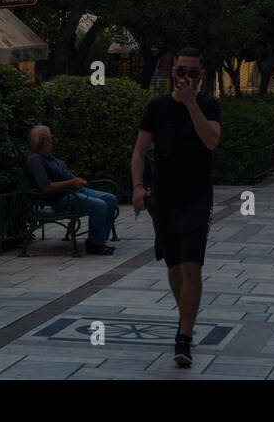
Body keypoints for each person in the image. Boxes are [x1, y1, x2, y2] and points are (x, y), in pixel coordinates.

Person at [130, 47, 222, 368]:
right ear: (174, 73)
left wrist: (192, 103)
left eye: (192, 73)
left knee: (191, 266)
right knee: (173, 269)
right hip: (165, 199)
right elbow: (140, 152)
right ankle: (187, 321)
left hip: (197, 197)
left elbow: (212, 140)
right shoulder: (157, 107)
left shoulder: (209, 105)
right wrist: (138, 187)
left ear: (201, 76)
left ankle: (183, 337)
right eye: (181, 71)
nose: (185, 77)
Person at [26, 125, 118, 255]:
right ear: (45, 142)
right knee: (100, 206)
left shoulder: (46, 155)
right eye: (51, 138)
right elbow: (45, 187)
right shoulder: (35, 160)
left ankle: (100, 240)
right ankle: (95, 245)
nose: (52, 141)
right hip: (62, 199)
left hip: (74, 191)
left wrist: (76, 180)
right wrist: (72, 182)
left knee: (111, 199)